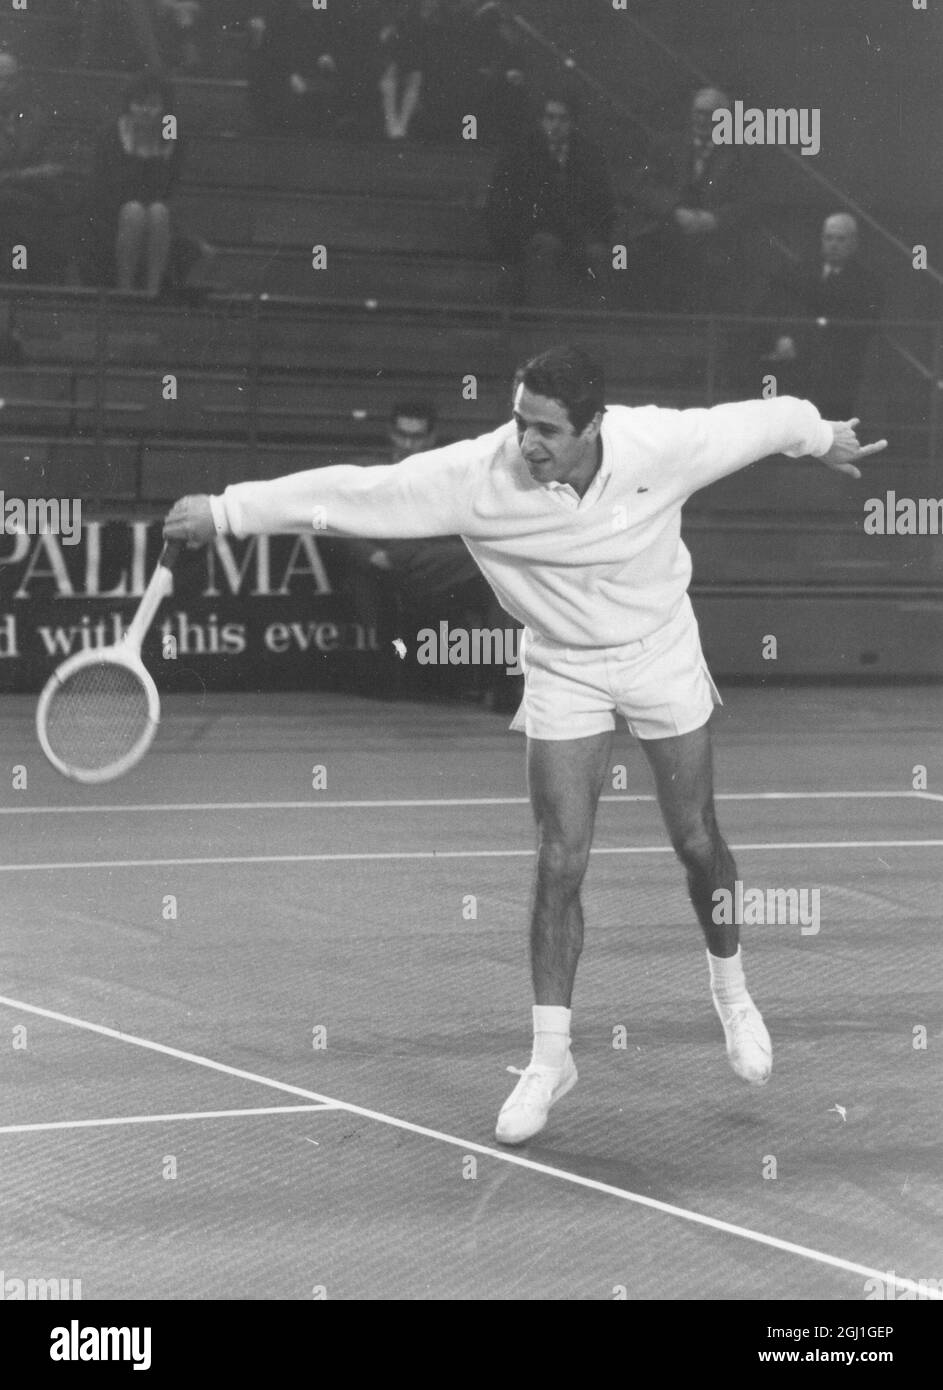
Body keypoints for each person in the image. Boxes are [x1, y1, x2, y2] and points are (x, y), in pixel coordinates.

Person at [164, 345, 885, 1146]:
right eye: (518, 421)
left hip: (660, 650)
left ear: (593, 427)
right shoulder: (479, 476)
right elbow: (356, 493)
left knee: (695, 840)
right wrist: (228, 510)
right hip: (561, 666)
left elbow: (766, 420)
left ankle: (731, 993)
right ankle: (550, 1060)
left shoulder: (661, 446)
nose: (526, 442)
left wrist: (822, 436)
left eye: (545, 429)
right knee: (558, 858)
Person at [341, 401, 521, 706]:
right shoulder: (368, 470)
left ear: (430, 438)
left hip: (439, 565)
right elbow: (330, 520)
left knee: (499, 578)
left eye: (417, 437)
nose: (409, 444)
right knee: (499, 564)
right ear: (390, 433)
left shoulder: (448, 474)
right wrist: (371, 556)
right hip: (393, 563)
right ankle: (504, 682)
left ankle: (503, 681)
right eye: (402, 435)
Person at [81, 72, 209, 298]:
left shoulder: (171, 135)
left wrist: (164, 150)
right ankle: (125, 290)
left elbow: (168, 190)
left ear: (164, 108)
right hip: (110, 214)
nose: (145, 111)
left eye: (152, 105)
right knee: (134, 211)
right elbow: (105, 189)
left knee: (158, 212)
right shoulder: (112, 134)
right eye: (139, 104)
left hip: (154, 213)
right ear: (129, 105)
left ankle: (152, 291)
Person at [484, 93, 615, 307]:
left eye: (563, 119)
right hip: (533, 235)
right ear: (541, 120)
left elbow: (602, 205)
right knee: (546, 246)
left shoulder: (589, 154)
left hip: (578, 236)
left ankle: (601, 327)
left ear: (572, 122)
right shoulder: (520, 153)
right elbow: (504, 205)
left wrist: (588, 236)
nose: (556, 125)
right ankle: (544, 324)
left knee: (600, 254)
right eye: (550, 117)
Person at [634, 86, 756, 312]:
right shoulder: (667, 146)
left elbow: (745, 202)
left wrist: (712, 219)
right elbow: (644, 186)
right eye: (698, 112)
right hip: (665, 227)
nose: (702, 119)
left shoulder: (738, 156)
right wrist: (675, 210)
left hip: (711, 235)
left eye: (710, 114)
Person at [756, 212, 884, 420]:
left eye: (840, 239)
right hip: (796, 368)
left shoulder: (866, 282)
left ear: (853, 242)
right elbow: (781, 307)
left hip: (838, 371)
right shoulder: (799, 271)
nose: (834, 244)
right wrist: (783, 336)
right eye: (829, 238)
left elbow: (860, 325)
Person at [0, 50, 67, 286]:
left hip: (29, 201)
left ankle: (17, 285)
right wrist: (27, 175)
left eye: (11, 79)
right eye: (1, 79)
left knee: (21, 217)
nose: (5, 86)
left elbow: (52, 168)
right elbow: (39, 171)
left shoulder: (36, 118)